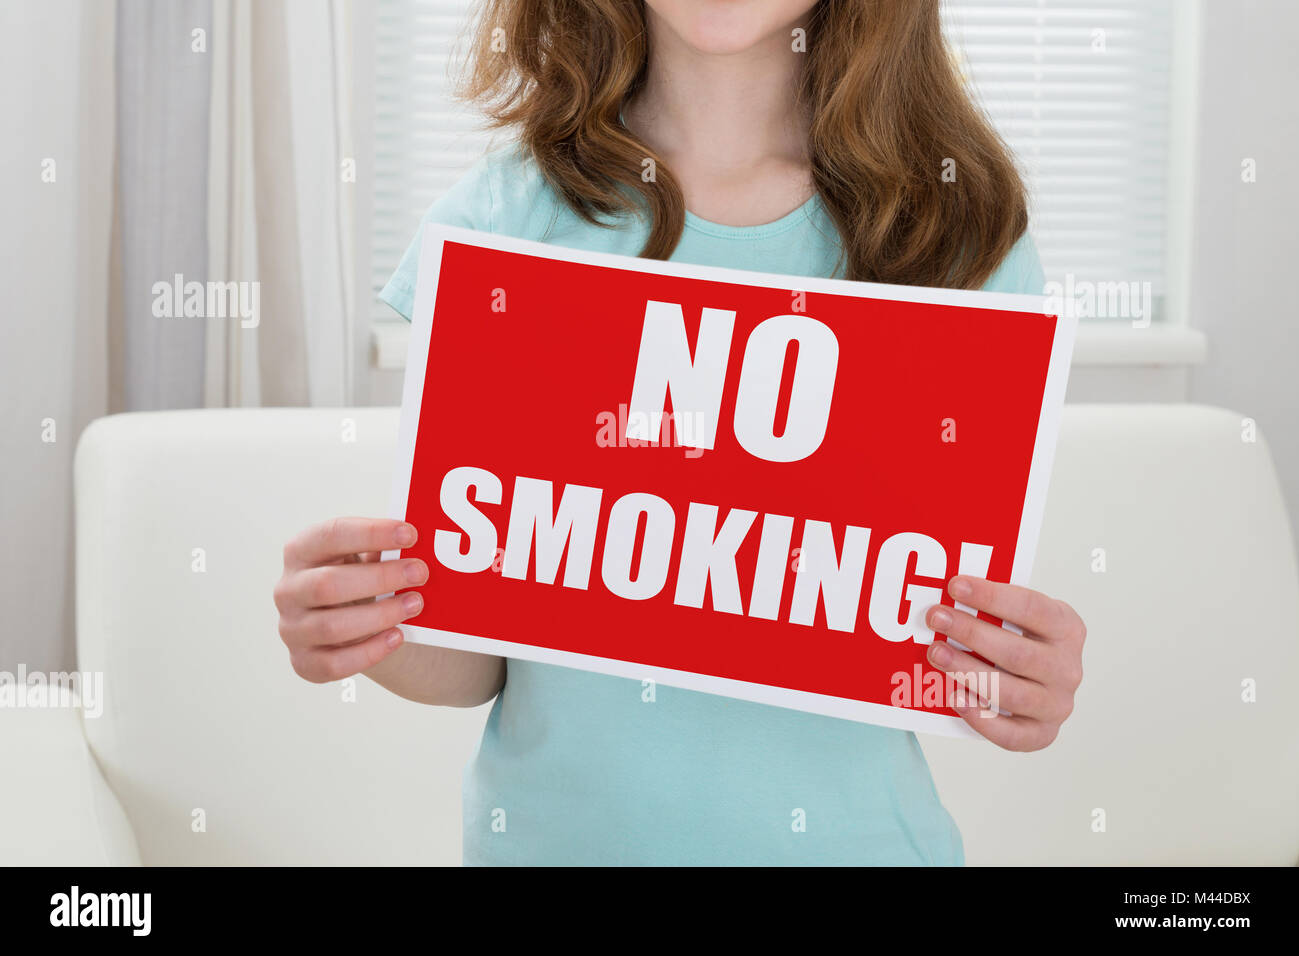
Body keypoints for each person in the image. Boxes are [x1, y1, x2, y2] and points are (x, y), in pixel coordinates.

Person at [274, 0, 1086, 865]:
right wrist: (370, 623)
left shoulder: (953, 233)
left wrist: (1019, 675)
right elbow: (481, 658)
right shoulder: (504, 222)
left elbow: (942, 643)